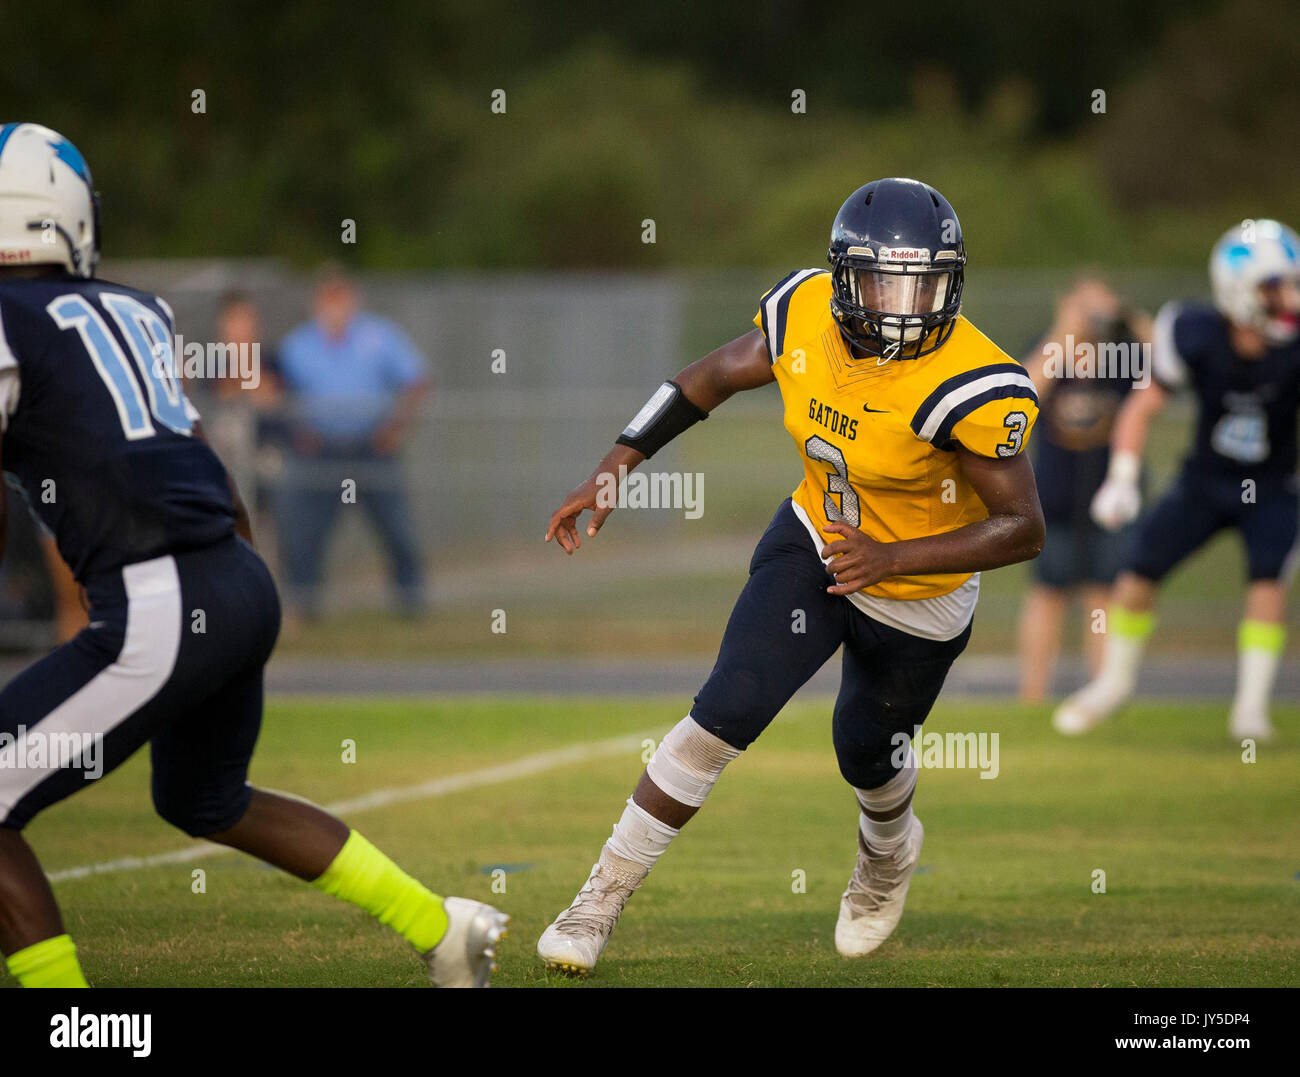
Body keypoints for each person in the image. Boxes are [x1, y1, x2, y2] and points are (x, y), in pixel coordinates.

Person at [0, 122, 505, 988]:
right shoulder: (134, 308)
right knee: (205, 799)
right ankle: (440, 927)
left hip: (157, 599)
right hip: (235, 575)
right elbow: (194, 450)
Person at [537, 177, 1045, 976]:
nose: (907, 302)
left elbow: (1024, 528)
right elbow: (707, 379)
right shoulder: (804, 310)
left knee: (866, 753)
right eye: (886, 279)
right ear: (845, 276)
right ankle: (598, 897)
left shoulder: (969, 381)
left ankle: (885, 860)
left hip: (920, 592)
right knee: (726, 709)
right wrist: (616, 463)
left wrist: (891, 557)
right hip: (814, 540)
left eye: (926, 281)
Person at [1054, 219, 1300, 742]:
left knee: (1267, 582)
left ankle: (1250, 711)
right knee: (1137, 573)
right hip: (1205, 480)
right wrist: (1120, 478)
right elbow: (1142, 407)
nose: (1289, 296)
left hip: (1275, 485)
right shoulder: (1196, 331)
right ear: (1239, 289)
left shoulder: (1292, 344)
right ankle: (1114, 684)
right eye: (1276, 285)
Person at [1016, 275, 1151, 701]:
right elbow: (1024, 395)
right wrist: (1064, 334)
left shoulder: (1124, 351)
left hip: (1111, 499)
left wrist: (1127, 317)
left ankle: (1101, 690)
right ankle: (1032, 694)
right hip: (1054, 498)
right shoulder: (1049, 346)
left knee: (1103, 596)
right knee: (1048, 595)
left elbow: (1173, 360)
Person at [274, 267, 430, 620]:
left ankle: (411, 603)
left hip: (372, 448)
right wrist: (296, 429)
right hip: (319, 451)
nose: (335, 306)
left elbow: (416, 381)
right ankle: (304, 605)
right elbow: (276, 391)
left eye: (341, 297)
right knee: (304, 531)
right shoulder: (298, 344)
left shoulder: (380, 335)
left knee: (396, 526)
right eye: (328, 298)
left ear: (354, 300)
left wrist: (396, 428)